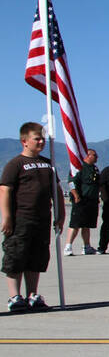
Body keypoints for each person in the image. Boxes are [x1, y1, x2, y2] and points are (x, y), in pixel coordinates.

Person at [2, 123, 64, 312]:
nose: (41, 141)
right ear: (24, 141)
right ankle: (15, 296)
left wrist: (60, 214)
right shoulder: (16, 164)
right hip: (21, 219)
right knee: (16, 257)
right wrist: (7, 217)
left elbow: (57, 190)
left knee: (37, 258)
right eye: (37, 138)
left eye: (43, 138)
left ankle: (32, 295)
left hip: (42, 219)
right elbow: (5, 189)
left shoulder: (48, 164)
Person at [64, 149, 99, 255]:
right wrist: (76, 195)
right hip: (80, 201)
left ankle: (86, 246)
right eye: (95, 155)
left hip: (91, 201)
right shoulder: (78, 167)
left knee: (86, 225)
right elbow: (71, 183)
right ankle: (68, 247)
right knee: (75, 224)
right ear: (88, 155)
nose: (97, 157)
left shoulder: (94, 168)